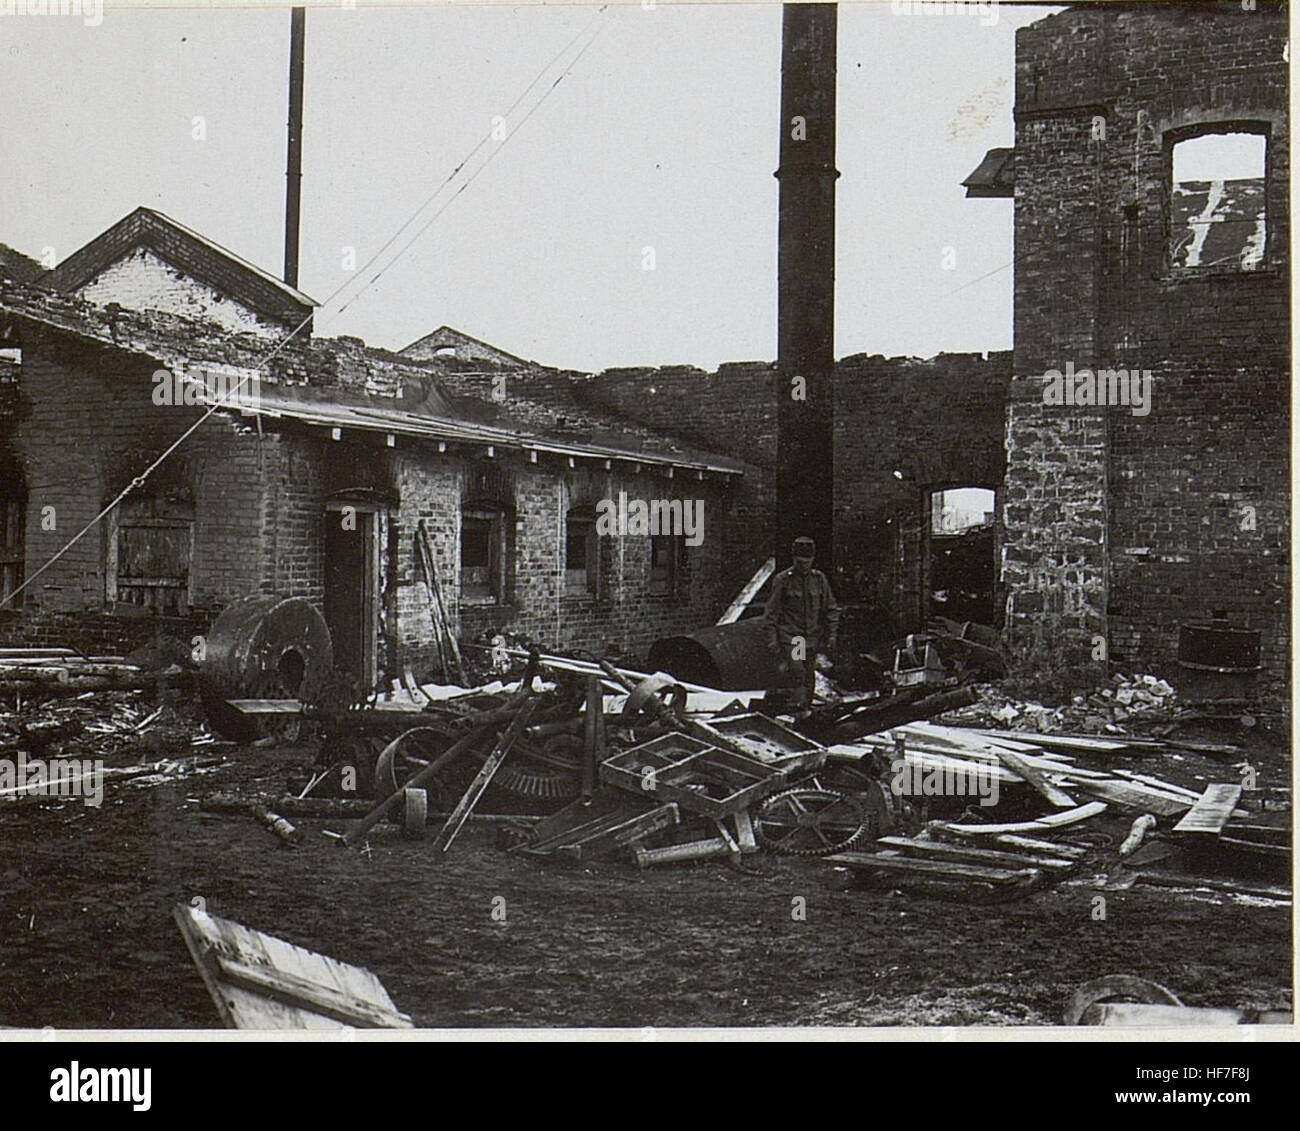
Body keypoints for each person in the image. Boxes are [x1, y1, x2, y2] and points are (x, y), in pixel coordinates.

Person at [763, 536, 841, 713]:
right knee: (798, 673)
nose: (803, 565)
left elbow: (831, 609)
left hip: (812, 637)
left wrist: (832, 635)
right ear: (794, 559)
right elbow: (771, 614)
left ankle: (805, 710)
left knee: (809, 677)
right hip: (794, 637)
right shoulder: (784, 580)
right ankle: (798, 711)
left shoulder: (819, 579)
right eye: (800, 561)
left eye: (807, 562)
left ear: (812, 560)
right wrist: (772, 642)